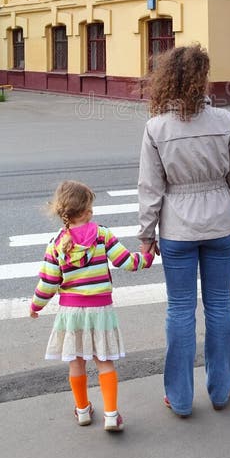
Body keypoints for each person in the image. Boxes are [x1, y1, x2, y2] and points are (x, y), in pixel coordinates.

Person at [137, 44, 230, 417]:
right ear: (202, 79)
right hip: (221, 222)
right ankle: (220, 392)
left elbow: (150, 188)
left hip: (178, 229)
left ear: (166, 81)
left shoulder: (156, 128)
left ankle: (181, 399)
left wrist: (146, 235)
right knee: (220, 305)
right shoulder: (225, 122)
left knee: (180, 310)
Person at [30, 180, 154, 431]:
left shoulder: (56, 243)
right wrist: (147, 257)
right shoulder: (102, 234)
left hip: (71, 312)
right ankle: (111, 415)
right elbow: (126, 262)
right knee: (103, 360)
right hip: (101, 310)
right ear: (88, 210)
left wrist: (36, 306)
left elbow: (48, 283)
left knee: (76, 362)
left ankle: (83, 410)